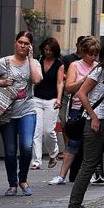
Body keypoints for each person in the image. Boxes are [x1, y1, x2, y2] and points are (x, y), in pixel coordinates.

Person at [0, 31, 43, 196]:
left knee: (27, 146)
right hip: (7, 111)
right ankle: (12, 184)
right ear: (15, 43)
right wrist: (2, 82)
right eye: (20, 42)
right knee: (10, 150)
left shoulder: (34, 63)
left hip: (27, 110)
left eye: (26, 43)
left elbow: (37, 80)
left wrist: (30, 59)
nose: (23, 45)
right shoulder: (4, 62)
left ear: (30, 46)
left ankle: (23, 180)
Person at [66, 40, 104, 208]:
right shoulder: (99, 71)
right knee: (88, 165)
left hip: (103, 121)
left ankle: (75, 206)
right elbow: (81, 93)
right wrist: (93, 117)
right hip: (95, 122)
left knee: (94, 163)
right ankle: (74, 206)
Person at [50, 36, 99, 185]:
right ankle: (62, 175)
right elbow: (69, 88)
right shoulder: (75, 65)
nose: (93, 57)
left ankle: (90, 174)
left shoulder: (98, 66)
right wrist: (84, 80)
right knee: (74, 142)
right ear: (83, 52)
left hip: (95, 108)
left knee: (91, 143)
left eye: (95, 54)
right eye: (90, 54)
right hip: (78, 108)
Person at [31, 37, 64, 171]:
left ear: (55, 51)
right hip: (37, 99)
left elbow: (60, 83)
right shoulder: (38, 60)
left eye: (50, 50)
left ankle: (53, 152)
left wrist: (59, 99)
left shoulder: (59, 64)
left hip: (52, 100)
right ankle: (36, 161)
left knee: (48, 131)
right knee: (36, 131)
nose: (47, 52)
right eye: (45, 49)